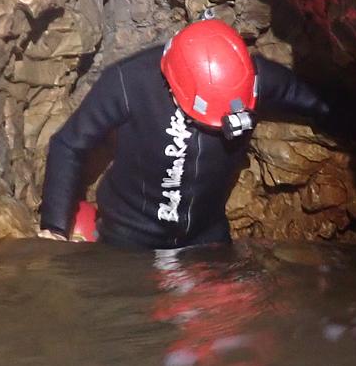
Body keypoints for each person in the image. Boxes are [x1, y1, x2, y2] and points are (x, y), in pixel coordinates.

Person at [37, 18, 334, 249]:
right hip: (129, 237)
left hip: (206, 237)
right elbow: (69, 144)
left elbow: (319, 103)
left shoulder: (251, 78)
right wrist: (54, 227)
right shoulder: (130, 82)